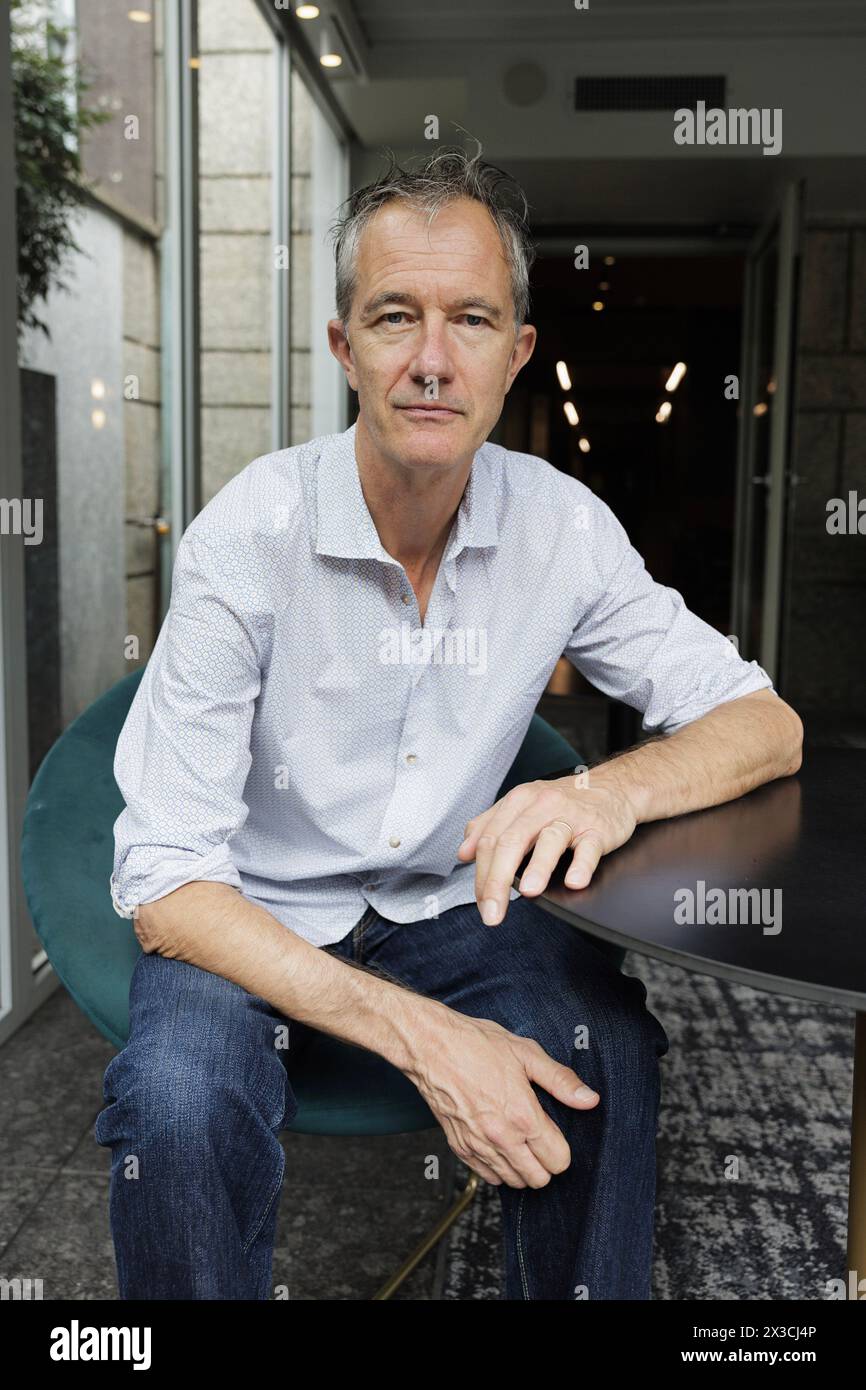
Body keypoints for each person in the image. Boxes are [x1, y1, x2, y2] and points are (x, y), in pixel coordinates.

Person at [95, 146, 803, 1301]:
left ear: (516, 351)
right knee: (177, 1102)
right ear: (343, 348)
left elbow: (759, 720)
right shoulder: (248, 535)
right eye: (393, 317)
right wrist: (429, 1040)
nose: (431, 360)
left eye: (470, 319)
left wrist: (601, 790)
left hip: (448, 895)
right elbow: (169, 885)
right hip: (250, 905)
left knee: (600, 1052)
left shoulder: (561, 526)